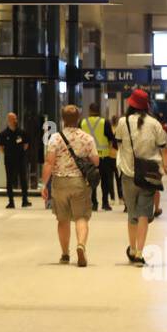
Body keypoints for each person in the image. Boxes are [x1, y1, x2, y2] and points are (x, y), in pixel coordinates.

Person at [114, 88, 167, 266]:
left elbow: (119, 145)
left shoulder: (122, 122)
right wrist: (165, 165)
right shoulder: (155, 124)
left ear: (130, 104)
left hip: (128, 173)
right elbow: (163, 147)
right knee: (144, 213)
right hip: (149, 174)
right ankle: (139, 252)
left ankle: (131, 248)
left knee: (132, 214)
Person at [41, 105, 100, 267]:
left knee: (63, 219)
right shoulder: (87, 138)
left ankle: (65, 254)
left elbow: (49, 162)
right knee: (81, 217)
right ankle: (81, 245)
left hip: (59, 183)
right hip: (79, 183)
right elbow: (96, 161)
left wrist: (44, 185)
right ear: (78, 119)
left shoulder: (55, 138)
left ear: (63, 119)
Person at [79, 103, 115, 211]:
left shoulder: (82, 122)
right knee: (105, 181)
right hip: (103, 157)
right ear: (99, 111)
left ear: (89, 111)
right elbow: (111, 138)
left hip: (88, 158)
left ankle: (94, 203)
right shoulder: (105, 122)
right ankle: (105, 203)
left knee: (92, 180)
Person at [0, 111, 31, 208]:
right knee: (9, 180)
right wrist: (9, 154)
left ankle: (25, 200)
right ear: (9, 120)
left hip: (21, 159)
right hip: (9, 160)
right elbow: (1, 147)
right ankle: (11, 201)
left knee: (23, 179)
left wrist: (19, 153)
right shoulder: (3, 134)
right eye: (13, 119)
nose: (15, 120)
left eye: (16, 118)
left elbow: (26, 145)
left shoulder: (22, 132)